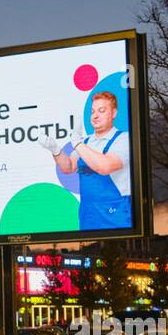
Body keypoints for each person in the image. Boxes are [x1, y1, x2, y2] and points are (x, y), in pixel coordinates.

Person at [39, 90, 131, 231]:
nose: (95, 116)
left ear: (114, 113)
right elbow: (68, 167)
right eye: (93, 111)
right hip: (88, 217)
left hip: (115, 217)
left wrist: (77, 143)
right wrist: (55, 149)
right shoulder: (86, 142)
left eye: (101, 110)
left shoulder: (124, 139)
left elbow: (104, 166)